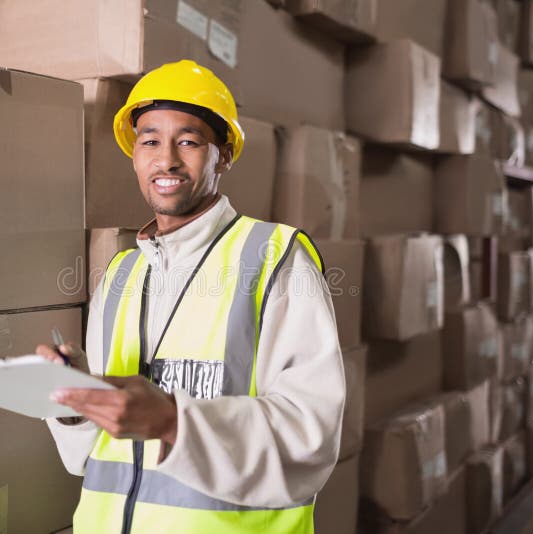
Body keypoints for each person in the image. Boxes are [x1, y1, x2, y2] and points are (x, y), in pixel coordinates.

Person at [36, 59, 345, 534]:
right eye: (151, 141)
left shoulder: (276, 258)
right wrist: (77, 400)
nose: (167, 160)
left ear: (224, 155)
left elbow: (310, 438)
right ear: (134, 154)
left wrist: (173, 421)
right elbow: (87, 460)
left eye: (189, 141)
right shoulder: (120, 275)